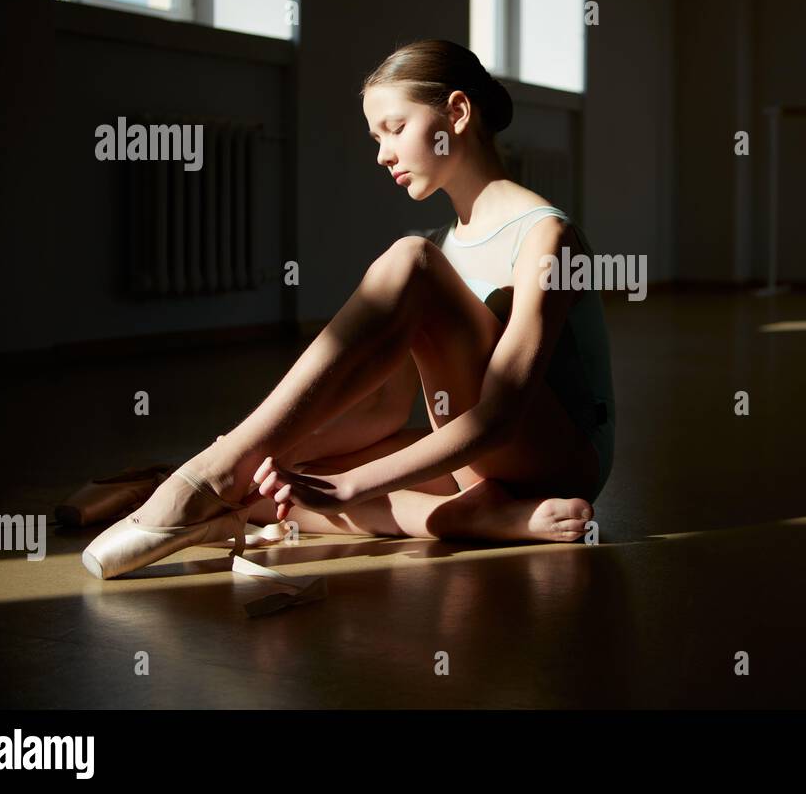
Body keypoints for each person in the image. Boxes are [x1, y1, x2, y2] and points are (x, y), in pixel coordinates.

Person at [82, 39, 615, 579]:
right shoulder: (443, 241)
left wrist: (356, 483)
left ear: (456, 112)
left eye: (395, 128)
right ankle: (478, 518)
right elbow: (386, 407)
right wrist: (278, 460)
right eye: (376, 138)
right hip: (476, 468)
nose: (382, 154)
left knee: (410, 260)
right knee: (286, 480)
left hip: (553, 461)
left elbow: (500, 419)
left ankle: (213, 474)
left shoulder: (548, 236)